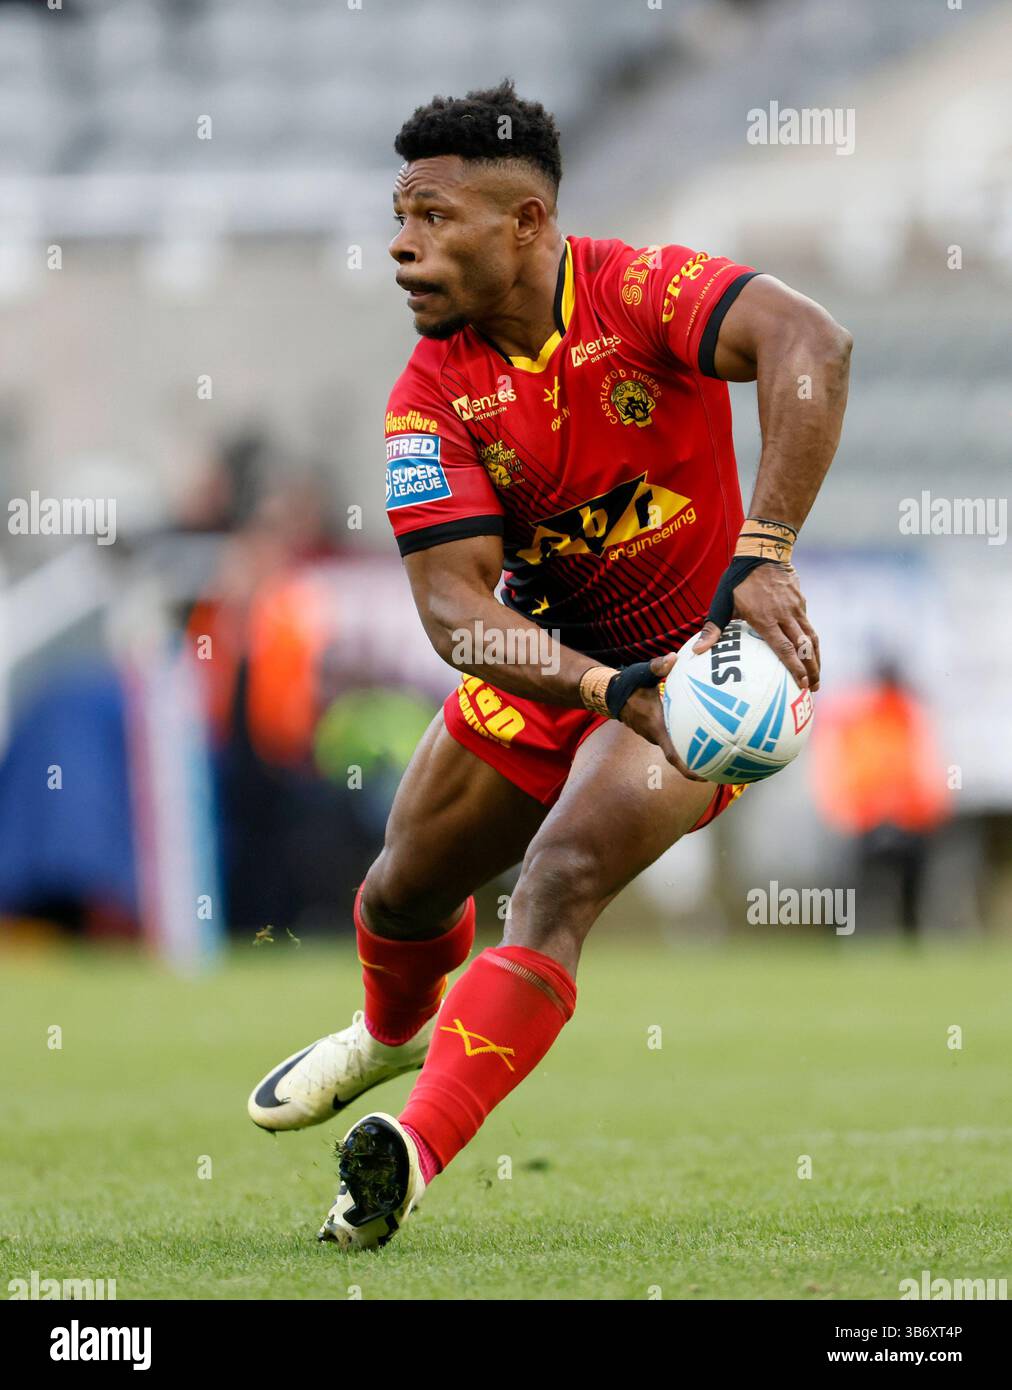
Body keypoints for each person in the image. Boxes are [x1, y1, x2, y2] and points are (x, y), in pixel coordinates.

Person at [247, 79, 852, 1249]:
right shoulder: (431, 393)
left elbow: (810, 339)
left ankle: (408, 1151)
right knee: (399, 894)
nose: (400, 244)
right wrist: (592, 685)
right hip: (548, 666)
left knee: (558, 878)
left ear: (525, 224)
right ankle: (387, 1033)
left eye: (431, 216)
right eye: (398, 215)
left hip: (694, 682)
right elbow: (452, 610)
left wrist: (764, 550)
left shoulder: (640, 292)